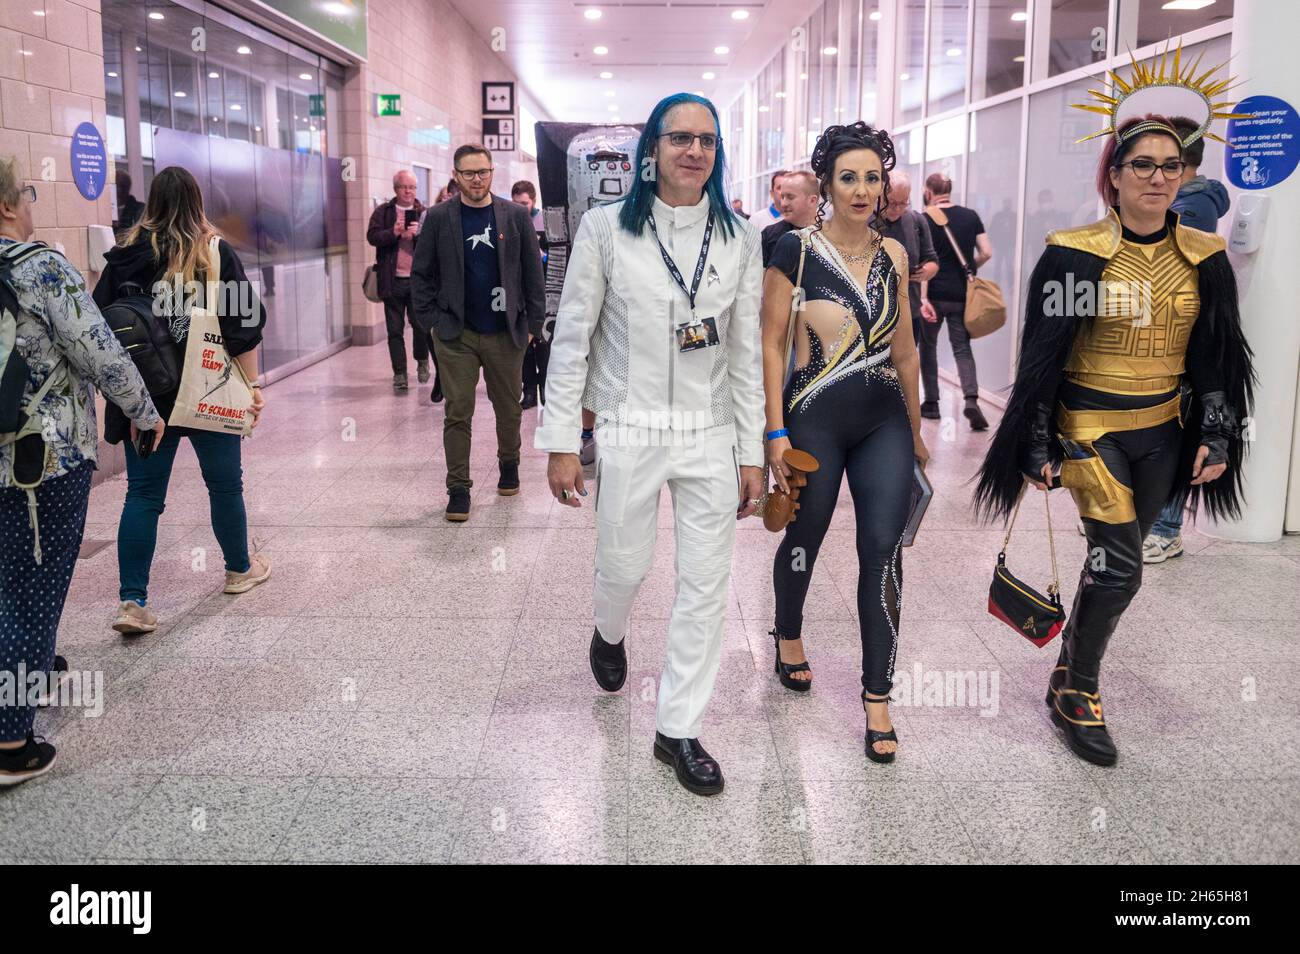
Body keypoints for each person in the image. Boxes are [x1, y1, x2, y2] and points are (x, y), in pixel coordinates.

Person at [974, 105, 1254, 768]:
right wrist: (1036, 441)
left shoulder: (1205, 257)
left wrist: (1217, 433)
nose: (1158, 178)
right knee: (1123, 567)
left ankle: (1067, 671)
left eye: (1171, 165)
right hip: (1089, 430)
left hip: (1164, 431)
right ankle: (1081, 693)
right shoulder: (1077, 252)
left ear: (1185, 173)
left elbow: (1214, 357)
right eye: (1143, 166)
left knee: (1115, 563)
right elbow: (1045, 355)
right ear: (1115, 176)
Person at [538, 92, 764, 797]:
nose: (694, 151)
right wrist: (563, 438)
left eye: (706, 140)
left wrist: (752, 451)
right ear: (651, 153)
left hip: (708, 430)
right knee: (625, 564)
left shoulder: (740, 237)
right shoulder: (606, 230)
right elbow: (572, 337)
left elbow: (747, 353)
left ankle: (679, 729)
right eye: (678, 138)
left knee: (705, 586)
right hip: (630, 425)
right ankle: (609, 631)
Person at [762, 123, 927, 763]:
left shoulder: (895, 255)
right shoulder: (794, 252)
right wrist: (774, 431)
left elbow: (907, 351)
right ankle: (790, 632)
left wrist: (914, 433)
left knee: (883, 550)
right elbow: (771, 345)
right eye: (849, 177)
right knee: (805, 535)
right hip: (811, 420)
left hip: (883, 417)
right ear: (826, 185)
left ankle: (877, 699)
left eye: (872, 177)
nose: (862, 189)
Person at [0, 159, 160, 784]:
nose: (34, 202)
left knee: (10, 579)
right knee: (31, 587)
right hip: (44, 462)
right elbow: (101, 352)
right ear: (11, 205)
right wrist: (143, 412)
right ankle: (12, 741)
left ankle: (27, 668)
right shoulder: (40, 268)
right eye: (30, 193)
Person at [95, 166, 270, 636]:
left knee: (144, 496)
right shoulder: (212, 253)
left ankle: (133, 602)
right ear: (196, 202)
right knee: (225, 487)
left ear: (151, 202)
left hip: (147, 399)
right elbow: (243, 329)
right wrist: (253, 388)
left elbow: (100, 331)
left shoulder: (124, 258)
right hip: (207, 389)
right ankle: (238, 570)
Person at [410, 144, 545, 522]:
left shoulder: (515, 216)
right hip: (457, 333)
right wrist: (431, 321)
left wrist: (534, 325)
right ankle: (458, 487)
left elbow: (533, 274)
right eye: (468, 173)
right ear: (455, 175)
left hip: (506, 331)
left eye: (482, 172)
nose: (476, 179)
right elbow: (421, 275)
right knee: (458, 411)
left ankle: (509, 464)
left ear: (492, 172)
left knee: (508, 406)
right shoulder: (438, 218)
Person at [1142, 114, 1233, 565]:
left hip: (1180, 338)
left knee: (1176, 434)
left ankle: (1166, 529)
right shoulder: (1190, 202)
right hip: (1168, 335)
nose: (1155, 176)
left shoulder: (1190, 209)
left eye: (1164, 161)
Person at [919, 173, 992, 430]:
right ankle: (971, 398)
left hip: (935, 295)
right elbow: (986, 252)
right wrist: (969, 268)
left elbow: (925, 262)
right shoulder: (971, 216)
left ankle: (931, 404)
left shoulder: (925, 218)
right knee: (962, 347)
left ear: (929, 192)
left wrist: (923, 297)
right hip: (962, 295)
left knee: (928, 348)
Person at [367, 171, 435, 393]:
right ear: (396, 189)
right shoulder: (383, 212)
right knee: (394, 330)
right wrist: (393, 232)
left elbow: (435, 245)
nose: (408, 191)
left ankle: (422, 361)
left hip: (417, 282)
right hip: (391, 280)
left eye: (412, 187)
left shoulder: (424, 213)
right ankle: (400, 373)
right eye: (404, 187)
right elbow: (372, 237)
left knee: (421, 326)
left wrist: (418, 236)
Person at [876, 169, 938, 347]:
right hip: (874, 314)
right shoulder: (864, 222)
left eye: (903, 203)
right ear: (880, 196)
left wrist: (926, 272)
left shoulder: (916, 220)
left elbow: (932, 260)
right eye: (892, 203)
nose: (897, 209)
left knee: (906, 369)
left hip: (910, 311)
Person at [512, 179, 549, 410]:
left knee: (544, 343)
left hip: (543, 287)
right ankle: (529, 390)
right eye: (516, 203)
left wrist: (540, 254)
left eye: (524, 203)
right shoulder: (509, 219)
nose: (520, 207)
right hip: (518, 289)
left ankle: (545, 387)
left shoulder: (545, 221)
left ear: (533, 201)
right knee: (523, 345)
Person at [761, 170, 818, 268]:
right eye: (782, 197)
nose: (783, 204)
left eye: (790, 197)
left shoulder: (830, 235)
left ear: (812, 200)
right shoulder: (769, 235)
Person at [113, 170, 144, 235]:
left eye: (123, 186)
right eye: (116, 185)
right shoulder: (105, 210)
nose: (119, 190)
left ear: (128, 187)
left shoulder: (140, 209)